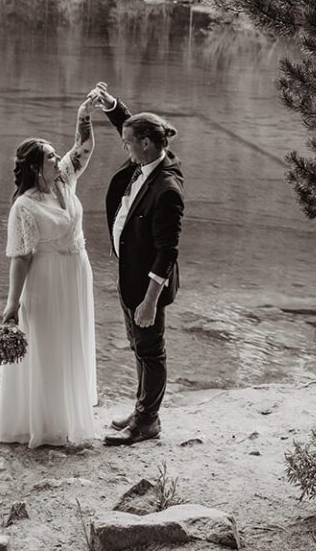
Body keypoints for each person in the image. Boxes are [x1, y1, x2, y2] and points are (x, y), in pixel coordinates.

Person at [0, 90, 101, 447]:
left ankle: (69, 416)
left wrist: (84, 112)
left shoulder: (64, 181)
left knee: (71, 342)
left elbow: (84, 147)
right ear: (35, 167)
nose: (60, 159)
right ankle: (45, 426)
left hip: (75, 273)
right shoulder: (24, 207)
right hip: (46, 280)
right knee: (50, 347)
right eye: (51, 157)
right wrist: (12, 304)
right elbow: (21, 257)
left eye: (57, 155)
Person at [89, 82, 184, 446]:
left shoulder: (167, 189)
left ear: (145, 143)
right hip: (129, 275)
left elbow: (167, 252)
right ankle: (142, 408)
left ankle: (148, 422)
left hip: (148, 285)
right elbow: (129, 123)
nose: (124, 146)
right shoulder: (147, 155)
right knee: (137, 345)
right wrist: (111, 105)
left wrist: (149, 301)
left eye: (128, 143)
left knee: (151, 349)